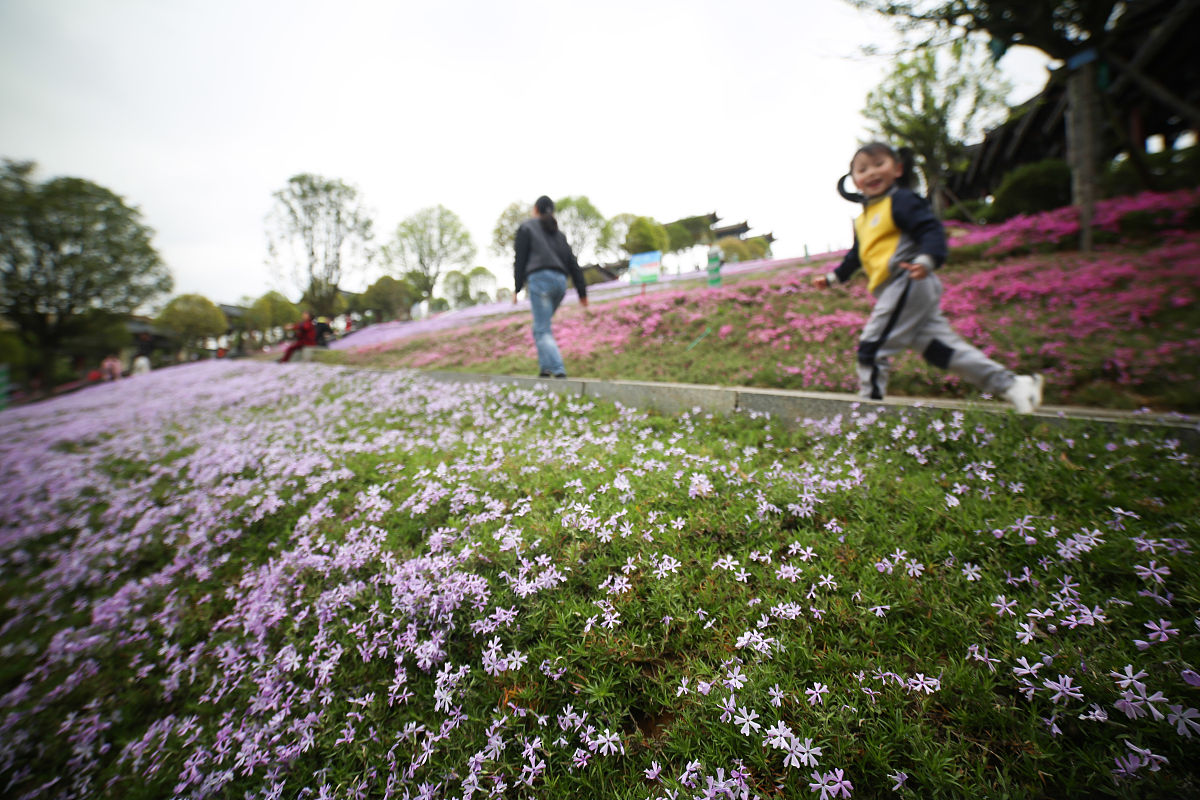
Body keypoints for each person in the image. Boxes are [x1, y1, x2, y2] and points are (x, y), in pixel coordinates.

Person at [812, 142, 1043, 413]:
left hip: (908, 280)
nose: (872, 172)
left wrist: (927, 259)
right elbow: (856, 255)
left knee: (871, 348)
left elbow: (931, 230)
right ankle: (1014, 385)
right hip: (896, 289)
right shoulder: (864, 218)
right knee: (940, 350)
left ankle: (868, 414)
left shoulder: (901, 200)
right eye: (863, 169)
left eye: (879, 164)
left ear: (897, 169)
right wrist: (832, 278)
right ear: (854, 181)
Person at [512, 195, 589, 378]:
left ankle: (557, 369)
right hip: (560, 283)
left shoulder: (527, 227)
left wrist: (516, 288)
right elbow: (573, 264)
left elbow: (520, 259)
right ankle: (545, 370)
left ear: (536, 209)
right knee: (541, 326)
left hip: (540, 280)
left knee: (542, 328)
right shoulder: (559, 234)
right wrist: (582, 292)